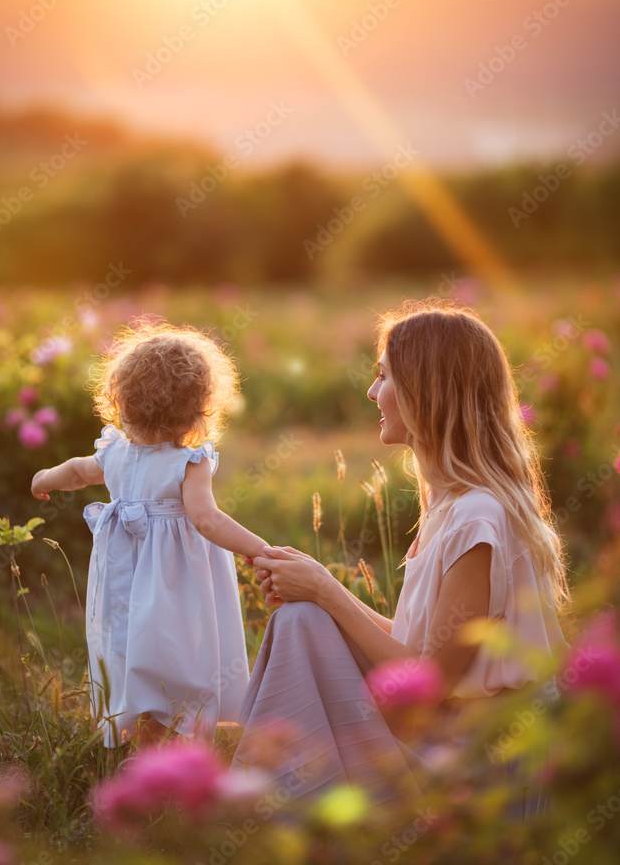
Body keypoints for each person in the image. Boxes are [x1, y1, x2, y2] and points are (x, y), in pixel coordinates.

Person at [235, 300, 568, 808]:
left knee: (308, 618)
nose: (373, 392)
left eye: (384, 376)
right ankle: (276, 800)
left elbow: (430, 682)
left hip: (480, 767)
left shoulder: (478, 516)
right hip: (443, 737)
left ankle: (274, 808)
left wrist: (326, 590)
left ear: (426, 391)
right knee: (303, 620)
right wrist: (320, 592)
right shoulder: (451, 506)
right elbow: (424, 648)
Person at [31, 319, 268, 746]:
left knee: (126, 641)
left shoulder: (114, 454)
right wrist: (260, 549)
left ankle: (137, 721)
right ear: (197, 409)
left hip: (124, 572)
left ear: (123, 400)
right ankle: (172, 726)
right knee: (177, 646)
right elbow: (207, 520)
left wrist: (44, 478)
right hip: (176, 578)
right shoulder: (189, 461)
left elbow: (76, 472)